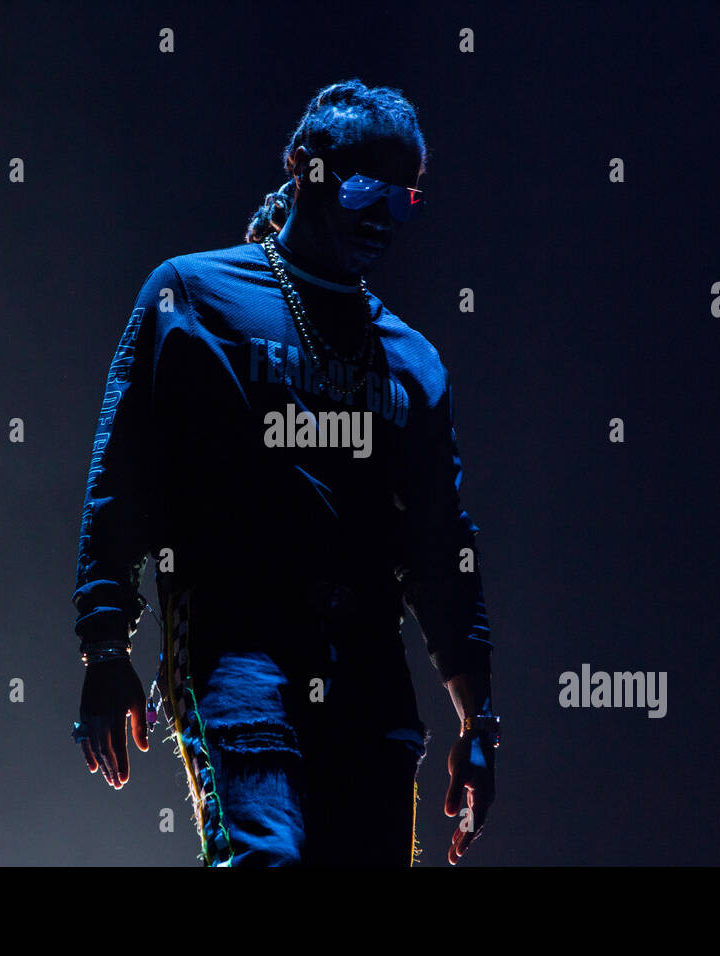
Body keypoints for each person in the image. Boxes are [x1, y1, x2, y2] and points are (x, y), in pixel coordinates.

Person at [69, 78, 498, 866]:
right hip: (239, 655)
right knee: (269, 860)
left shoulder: (415, 363)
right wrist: (105, 650)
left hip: (371, 689)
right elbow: (121, 476)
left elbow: (441, 549)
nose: (384, 216)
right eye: (366, 187)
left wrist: (479, 725)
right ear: (305, 166)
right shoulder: (192, 297)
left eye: (405, 198)